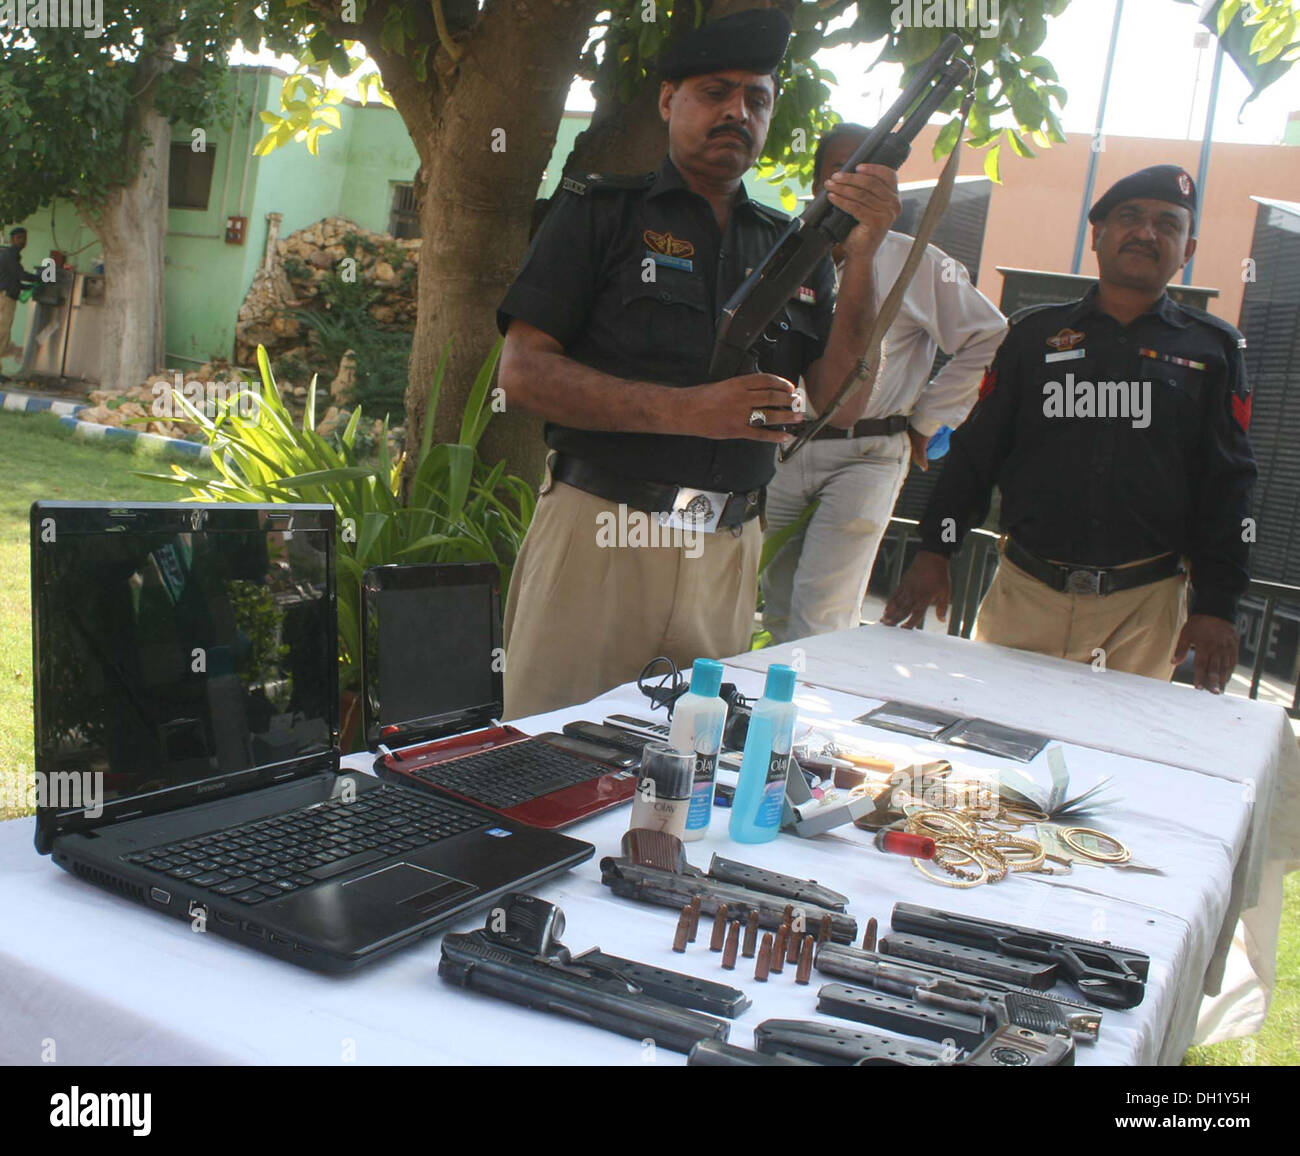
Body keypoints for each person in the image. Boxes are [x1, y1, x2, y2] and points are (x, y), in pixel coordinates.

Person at [494, 9, 901, 719]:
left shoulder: (792, 247)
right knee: (544, 762)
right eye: (716, 92)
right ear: (668, 101)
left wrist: (862, 255)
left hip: (727, 550)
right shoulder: (599, 213)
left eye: (757, 98)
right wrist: (690, 411)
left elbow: (842, 399)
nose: (737, 112)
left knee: (684, 778)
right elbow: (523, 373)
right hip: (602, 537)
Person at [882, 164, 1256, 694]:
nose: (1147, 233)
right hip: (1026, 593)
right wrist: (935, 550)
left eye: (1167, 225)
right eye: (1130, 218)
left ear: (1187, 250)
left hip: (1145, 608)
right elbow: (976, 454)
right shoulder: (1034, 335)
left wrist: (1217, 606)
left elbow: (1229, 482)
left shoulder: (1214, 350)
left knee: (1115, 759)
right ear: (1097, 233)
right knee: (997, 748)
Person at [762, 123, 1007, 644]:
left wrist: (928, 419)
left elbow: (988, 334)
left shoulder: (918, 261)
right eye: (841, 171)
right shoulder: (782, 249)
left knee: (820, 609)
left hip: (868, 450)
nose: (857, 184)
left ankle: (803, 713)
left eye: (875, 174)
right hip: (780, 445)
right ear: (816, 180)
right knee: (770, 596)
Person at [0, 227, 38, 366]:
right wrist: (41, 278)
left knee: (4, 334)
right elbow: (20, 275)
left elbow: (13, 279)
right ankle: (16, 352)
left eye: (24, 238)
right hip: (5, 299)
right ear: (12, 239)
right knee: (2, 334)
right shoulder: (10, 255)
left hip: (7, 297)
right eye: (19, 238)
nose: (22, 241)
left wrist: (28, 287)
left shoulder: (11, 255)